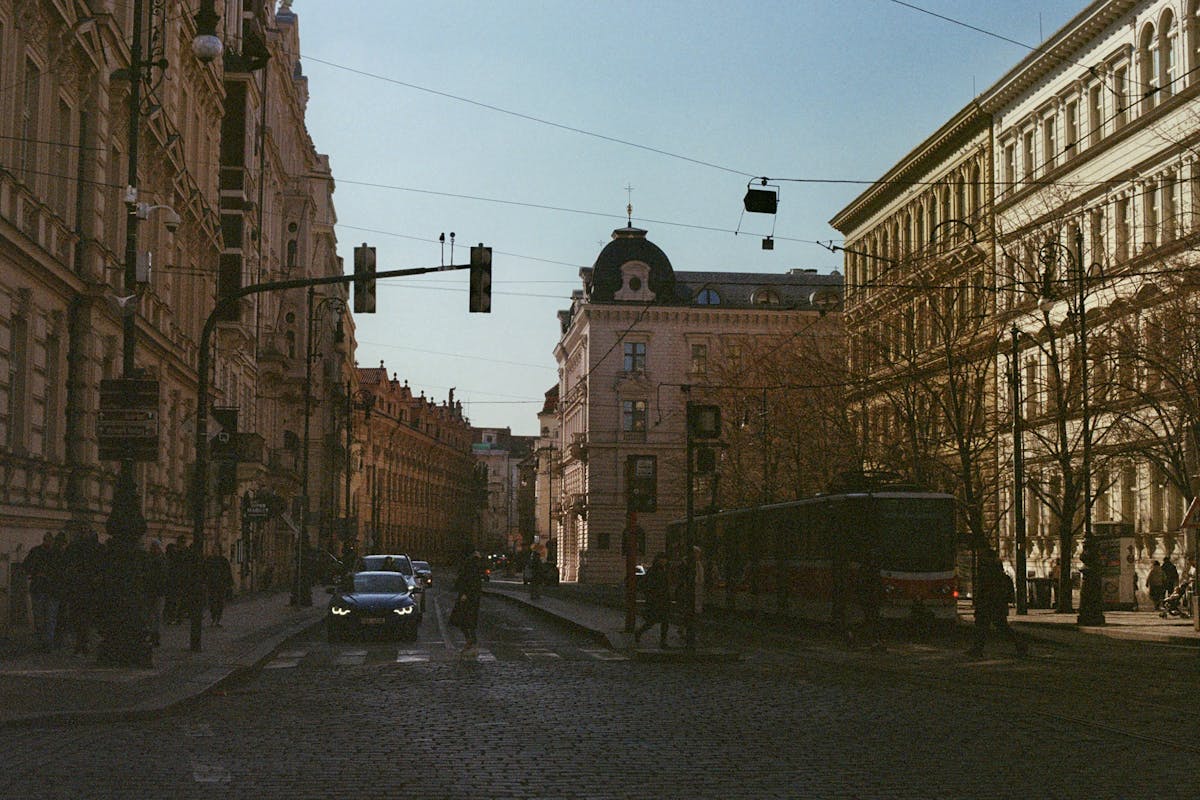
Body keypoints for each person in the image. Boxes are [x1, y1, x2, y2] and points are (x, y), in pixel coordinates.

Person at [967, 549, 1027, 657]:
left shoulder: (987, 575)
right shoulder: (1002, 576)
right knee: (1000, 627)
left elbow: (983, 591)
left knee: (983, 627)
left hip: (987, 605)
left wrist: (979, 605)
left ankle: (977, 649)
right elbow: (1008, 593)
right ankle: (1019, 644)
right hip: (998, 605)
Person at [24, 532, 65, 651]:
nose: (49, 542)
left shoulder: (56, 554)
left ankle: (47, 643)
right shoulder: (38, 552)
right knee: (42, 618)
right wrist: (37, 573)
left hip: (50, 590)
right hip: (41, 588)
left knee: (49, 618)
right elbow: (27, 566)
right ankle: (44, 642)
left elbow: (62, 571)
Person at [62, 527, 100, 654]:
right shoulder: (75, 547)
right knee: (79, 617)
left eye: (86, 531)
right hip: (79, 587)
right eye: (83, 531)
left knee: (85, 617)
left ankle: (83, 642)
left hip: (87, 587)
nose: (84, 534)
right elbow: (66, 563)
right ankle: (81, 642)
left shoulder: (94, 548)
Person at [635, 553, 672, 648]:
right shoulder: (654, 571)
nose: (664, 561)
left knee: (664, 621)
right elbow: (646, 584)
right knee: (654, 620)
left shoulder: (664, 570)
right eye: (662, 559)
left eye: (665, 559)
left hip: (663, 598)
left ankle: (663, 641)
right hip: (656, 599)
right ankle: (639, 632)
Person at [452, 550, 487, 651]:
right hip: (472, 596)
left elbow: (466, 579)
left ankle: (470, 639)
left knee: (463, 619)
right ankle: (471, 639)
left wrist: (464, 593)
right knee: (468, 619)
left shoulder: (470, 565)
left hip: (467, 596)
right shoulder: (475, 565)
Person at [145, 539, 168, 646]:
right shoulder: (148, 559)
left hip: (159, 591)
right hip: (150, 590)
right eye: (152, 547)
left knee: (157, 614)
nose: (154, 549)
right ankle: (151, 633)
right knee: (150, 614)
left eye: (156, 547)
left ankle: (156, 635)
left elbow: (165, 576)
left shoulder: (163, 560)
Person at [204, 549, 234, 626]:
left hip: (221, 584)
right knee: (212, 602)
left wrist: (229, 583)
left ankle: (218, 619)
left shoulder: (223, 560)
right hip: (212, 584)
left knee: (220, 602)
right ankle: (214, 618)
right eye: (214, 550)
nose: (214, 552)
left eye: (216, 550)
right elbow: (205, 571)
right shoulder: (209, 560)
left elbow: (227, 572)